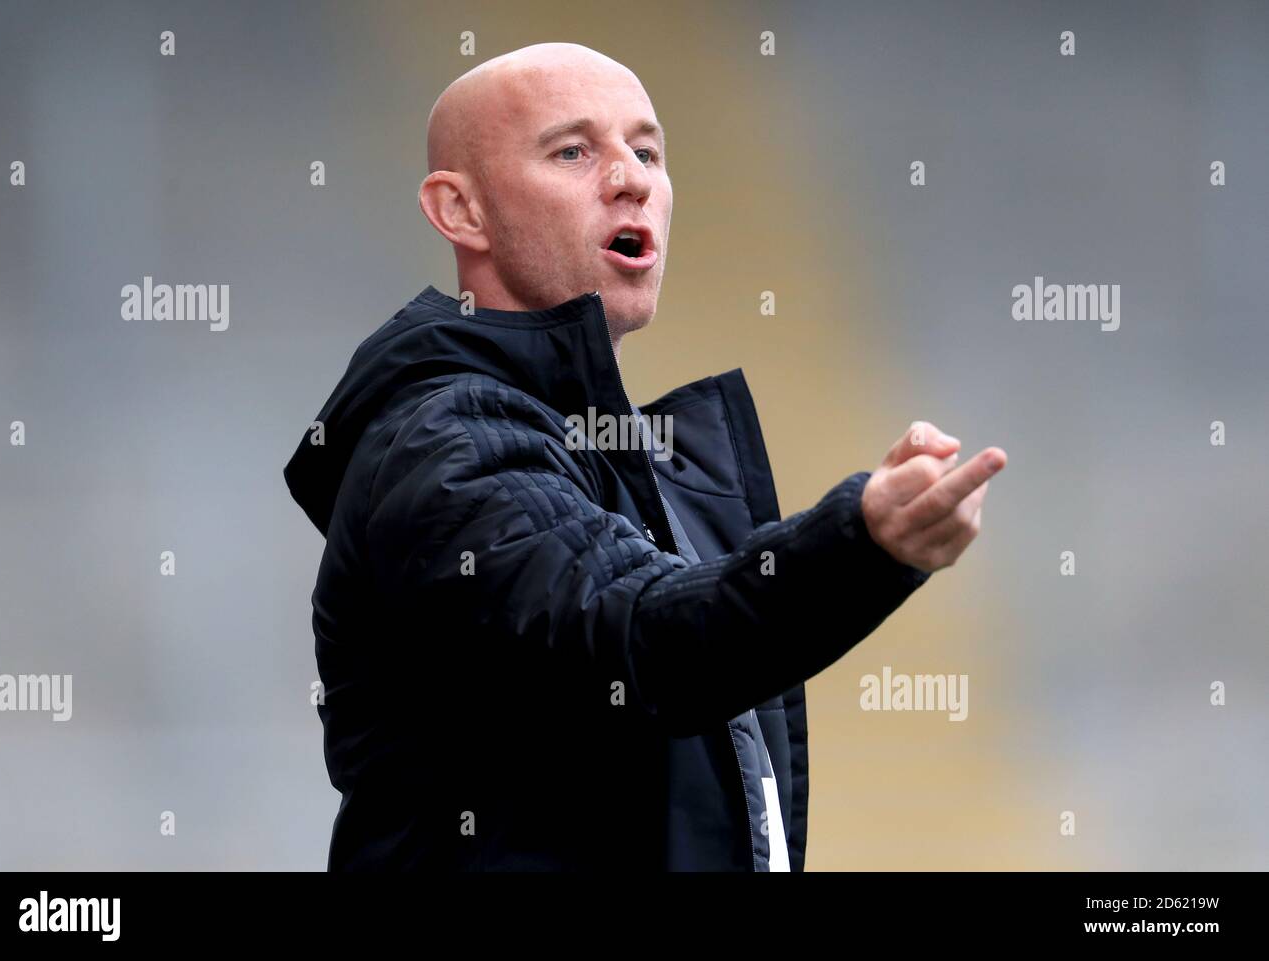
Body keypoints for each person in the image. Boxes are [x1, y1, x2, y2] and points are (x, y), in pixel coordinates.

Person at [283, 42, 1007, 871]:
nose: (631, 177)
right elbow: (638, 635)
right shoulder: (443, 440)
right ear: (461, 211)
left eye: (648, 150)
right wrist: (860, 544)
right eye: (573, 150)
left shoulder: (615, 460)